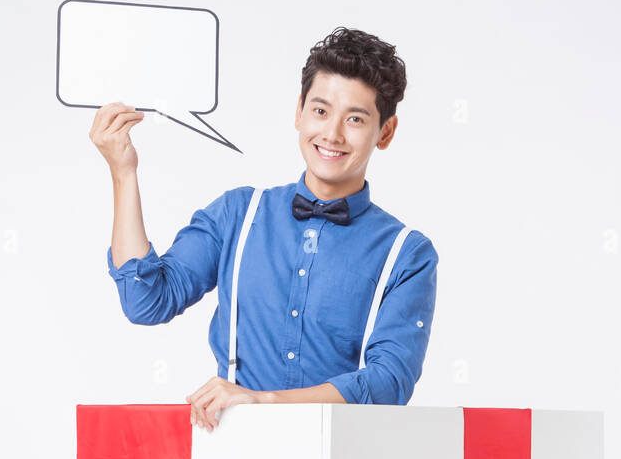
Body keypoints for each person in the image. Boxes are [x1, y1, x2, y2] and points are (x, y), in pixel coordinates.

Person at [90, 26, 438, 431]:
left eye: (356, 119)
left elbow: (388, 382)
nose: (332, 134)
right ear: (299, 112)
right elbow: (146, 301)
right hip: (237, 458)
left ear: (386, 132)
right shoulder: (238, 213)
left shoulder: (407, 252)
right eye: (320, 111)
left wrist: (266, 401)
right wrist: (123, 172)